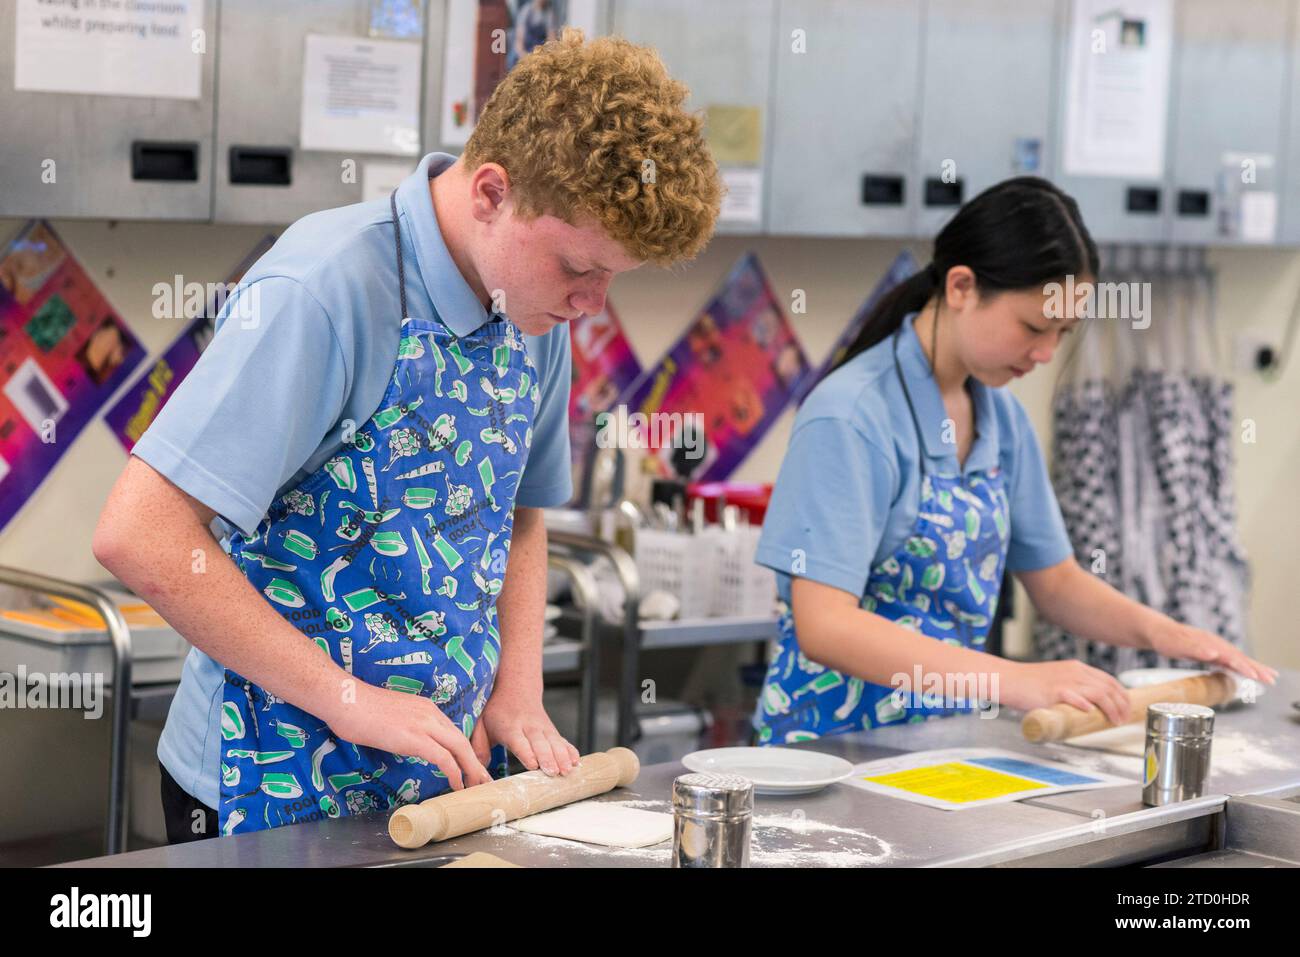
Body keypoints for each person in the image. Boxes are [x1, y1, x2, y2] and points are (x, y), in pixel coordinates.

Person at [93, 28, 722, 839]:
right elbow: (139, 533)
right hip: (269, 787)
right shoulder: (324, 289)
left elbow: (521, 508)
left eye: (612, 278)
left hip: (440, 785)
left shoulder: (534, 315)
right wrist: (345, 698)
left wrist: (518, 682)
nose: (593, 304)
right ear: (491, 192)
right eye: (578, 269)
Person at [751, 177, 1275, 745]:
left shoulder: (1001, 418)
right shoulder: (850, 416)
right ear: (961, 287)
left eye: (1062, 333)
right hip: (825, 752)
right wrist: (1013, 680)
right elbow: (825, 625)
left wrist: (1169, 635)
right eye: (1033, 327)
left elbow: (1054, 581)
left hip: (933, 746)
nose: (1046, 354)